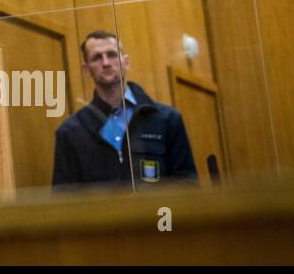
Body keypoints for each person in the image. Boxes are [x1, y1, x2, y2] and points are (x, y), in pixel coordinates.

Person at [52, 30, 197, 189]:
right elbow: (65, 202)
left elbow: (188, 186)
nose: (106, 62)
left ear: (126, 62)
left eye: (112, 54)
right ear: (86, 70)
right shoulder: (71, 132)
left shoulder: (167, 120)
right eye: (97, 57)